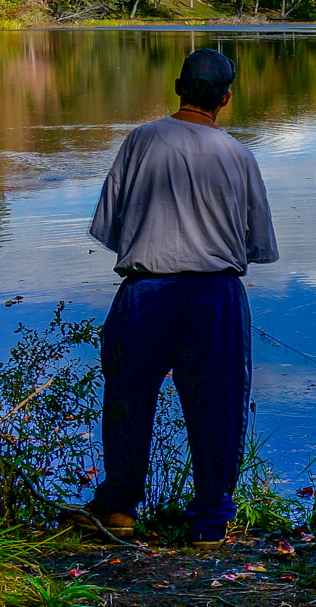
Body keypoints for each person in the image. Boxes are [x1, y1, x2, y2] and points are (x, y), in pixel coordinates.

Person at [82, 48, 278, 545]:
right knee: (219, 406)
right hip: (216, 296)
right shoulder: (239, 155)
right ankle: (210, 523)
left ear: (177, 87)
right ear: (226, 99)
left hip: (147, 290)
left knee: (128, 398)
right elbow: (259, 247)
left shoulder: (141, 141)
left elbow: (110, 226)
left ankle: (120, 509)